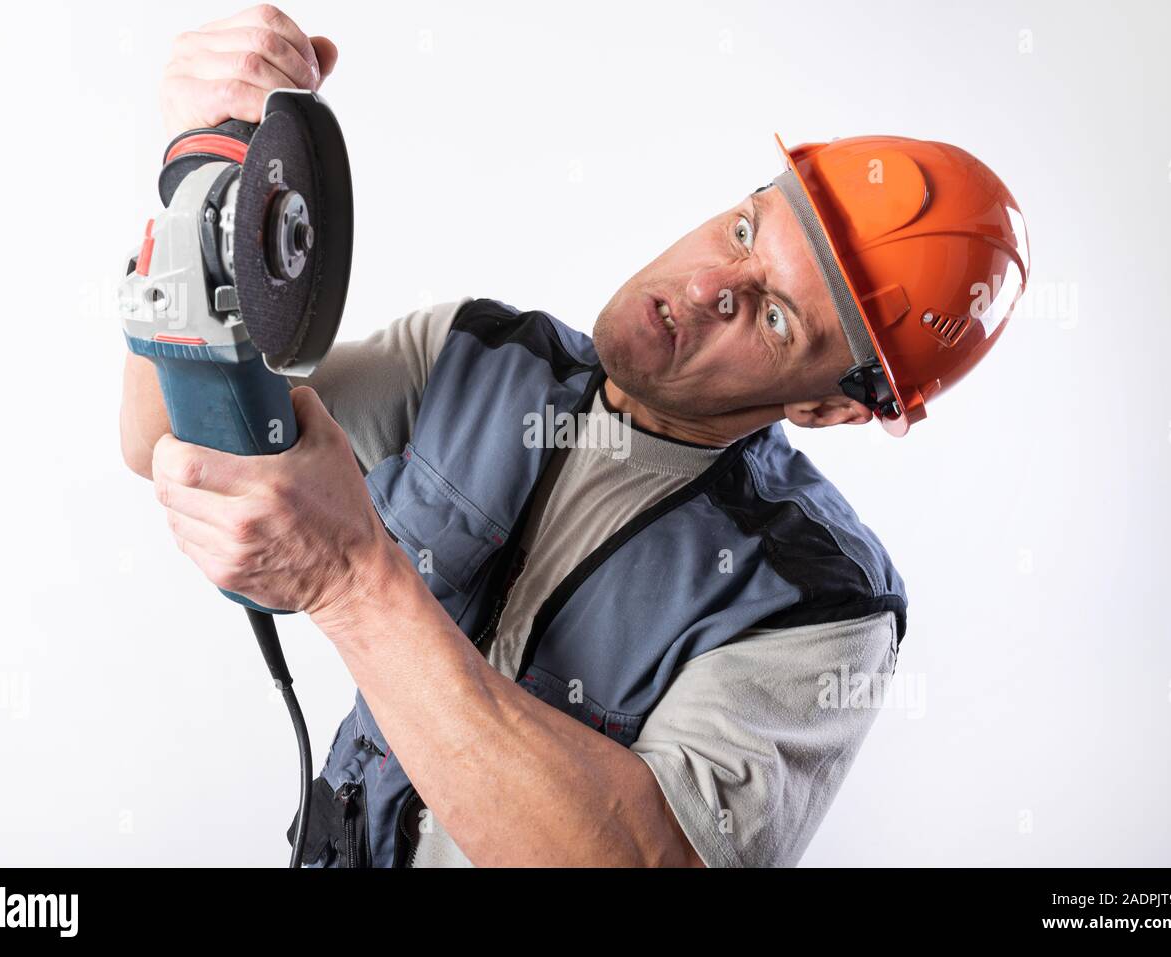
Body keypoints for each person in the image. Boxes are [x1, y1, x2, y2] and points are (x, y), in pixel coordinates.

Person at [121, 4, 1028, 867]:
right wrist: (207, 182)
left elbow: (637, 858)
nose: (715, 284)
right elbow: (168, 439)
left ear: (829, 408)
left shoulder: (819, 606)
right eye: (745, 229)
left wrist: (353, 582)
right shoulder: (479, 356)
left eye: (777, 318)